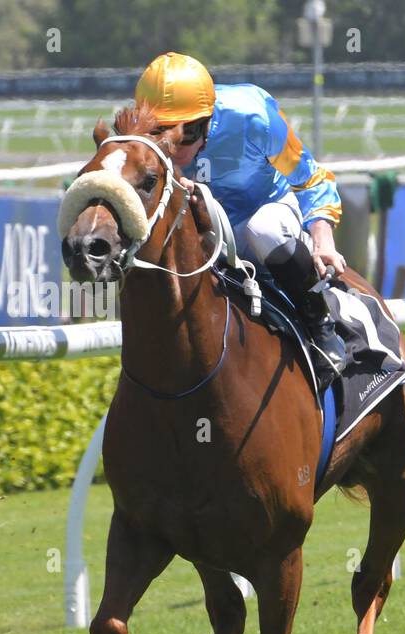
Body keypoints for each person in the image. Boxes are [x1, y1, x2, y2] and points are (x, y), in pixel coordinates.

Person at [134, 52, 347, 385]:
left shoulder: (253, 117)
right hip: (207, 229)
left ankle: (322, 327)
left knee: (262, 232)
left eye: (187, 133)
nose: (175, 148)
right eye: (161, 133)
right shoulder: (140, 141)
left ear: (208, 120)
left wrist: (323, 238)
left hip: (266, 211)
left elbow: (311, 179)